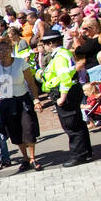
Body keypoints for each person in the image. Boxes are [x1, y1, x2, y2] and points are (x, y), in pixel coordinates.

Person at [37, 29, 92, 167]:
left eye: (44, 43)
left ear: (50, 43)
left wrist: (62, 97)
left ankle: (78, 155)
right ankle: (85, 152)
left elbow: (65, 79)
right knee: (78, 124)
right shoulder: (62, 54)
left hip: (66, 94)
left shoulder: (60, 56)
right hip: (69, 92)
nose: (43, 46)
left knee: (72, 126)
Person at [0, 35, 43, 171]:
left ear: (10, 49)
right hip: (7, 101)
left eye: (6, 49)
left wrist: (36, 99)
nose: (3, 52)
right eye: (0, 50)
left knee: (28, 128)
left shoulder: (20, 62)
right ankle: (25, 158)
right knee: (16, 132)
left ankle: (33, 158)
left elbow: (31, 82)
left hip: (22, 98)